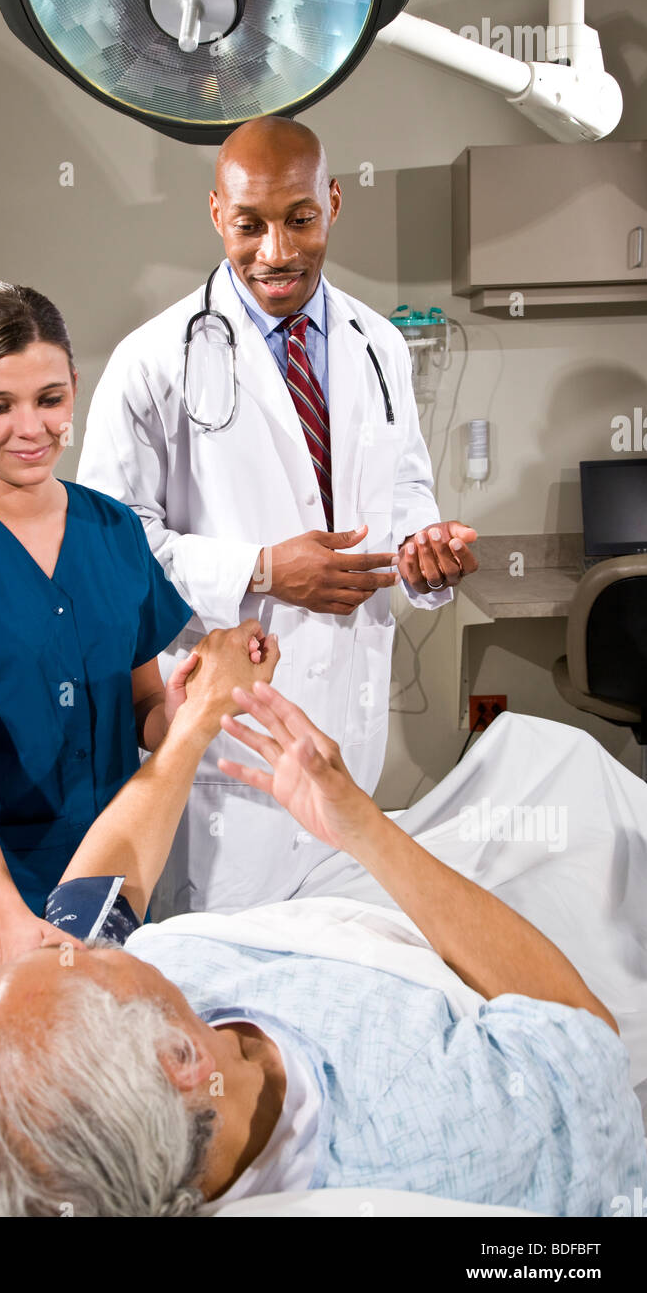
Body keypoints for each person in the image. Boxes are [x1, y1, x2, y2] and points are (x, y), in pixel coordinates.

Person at [0, 630, 647, 1218]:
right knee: (570, 785)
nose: (57, 942)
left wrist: (198, 720)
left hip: (356, 900)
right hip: (486, 946)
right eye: (67, 962)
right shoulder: (444, 1133)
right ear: (182, 1061)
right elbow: (576, 1031)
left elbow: (105, 886)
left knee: (528, 761)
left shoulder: (116, 1084)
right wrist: (362, 826)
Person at [0, 282, 265, 1074]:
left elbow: (142, 703)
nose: (31, 428)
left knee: (107, 1145)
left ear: (74, 389)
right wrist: (7, 921)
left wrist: (176, 714)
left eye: (50, 398)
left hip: (106, 896)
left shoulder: (111, 530)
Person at [77, 114, 479, 917]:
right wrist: (261, 569)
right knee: (223, 1001)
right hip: (225, 734)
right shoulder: (152, 360)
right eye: (251, 224)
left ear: (332, 203)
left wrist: (425, 551)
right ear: (217, 215)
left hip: (349, 726)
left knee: (342, 954)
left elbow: (404, 493)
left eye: (300, 219)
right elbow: (109, 554)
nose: (277, 252)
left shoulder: (378, 345)